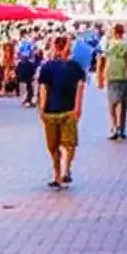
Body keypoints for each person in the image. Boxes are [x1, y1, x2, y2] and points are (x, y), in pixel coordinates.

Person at [37, 36, 86, 189]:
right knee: (57, 145)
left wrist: (42, 108)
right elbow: (44, 88)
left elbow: (79, 87)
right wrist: (43, 108)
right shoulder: (50, 67)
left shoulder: (73, 67)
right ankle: (60, 173)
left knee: (64, 145)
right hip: (58, 111)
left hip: (63, 111)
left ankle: (64, 171)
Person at [97, 24, 127, 141]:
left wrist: (99, 78)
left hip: (111, 76)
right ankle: (122, 129)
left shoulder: (107, 44)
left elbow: (101, 61)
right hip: (125, 76)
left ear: (113, 32)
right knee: (123, 104)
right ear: (123, 32)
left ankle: (114, 127)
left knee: (113, 103)